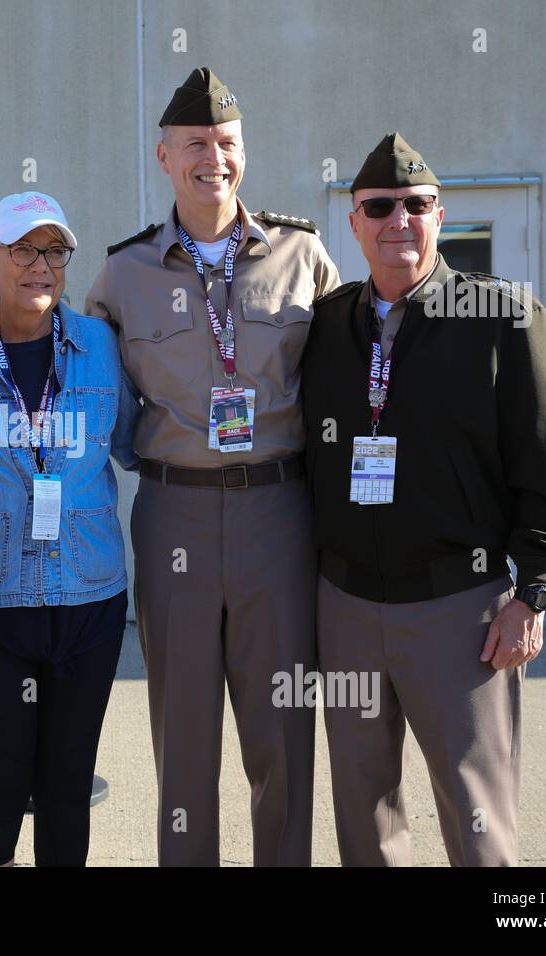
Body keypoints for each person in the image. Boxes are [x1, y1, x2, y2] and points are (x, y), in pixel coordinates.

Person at [302, 132, 546, 865]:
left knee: (478, 821)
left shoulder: (504, 319)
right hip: (345, 604)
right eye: (380, 206)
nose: (399, 218)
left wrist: (533, 592)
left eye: (417, 204)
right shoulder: (331, 325)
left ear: (440, 215)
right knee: (363, 820)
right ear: (355, 222)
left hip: (460, 609)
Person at [86, 67, 342, 866]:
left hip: (278, 512)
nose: (213, 158)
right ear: (164, 157)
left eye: (226, 142)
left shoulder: (304, 255)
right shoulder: (124, 272)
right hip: (176, 513)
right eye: (194, 144)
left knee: (283, 732)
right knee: (183, 731)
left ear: (244, 152)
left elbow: (352, 379)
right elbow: (98, 396)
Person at [0, 192, 140, 866]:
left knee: (67, 784)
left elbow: (138, 443)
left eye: (54, 251)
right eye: (24, 249)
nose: (41, 266)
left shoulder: (99, 346)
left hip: (90, 597)